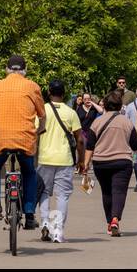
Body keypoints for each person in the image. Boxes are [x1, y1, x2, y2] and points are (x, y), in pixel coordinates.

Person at [0, 55, 46, 231]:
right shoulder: (32, 86)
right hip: (24, 139)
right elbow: (42, 116)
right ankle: (30, 214)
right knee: (29, 172)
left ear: (7, 69)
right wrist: (40, 129)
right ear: (24, 70)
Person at [84, 90, 137, 236]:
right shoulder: (126, 122)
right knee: (119, 191)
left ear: (105, 105)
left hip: (101, 162)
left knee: (107, 192)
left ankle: (110, 222)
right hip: (122, 162)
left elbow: (89, 146)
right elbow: (135, 145)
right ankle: (115, 219)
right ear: (120, 106)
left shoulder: (97, 122)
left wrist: (85, 164)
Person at [37, 79, 85, 243]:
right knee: (62, 196)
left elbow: (34, 132)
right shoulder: (70, 112)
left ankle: (44, 222)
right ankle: (57, 230)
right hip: (64, 159)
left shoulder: (42, 110)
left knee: (43, 192)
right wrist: (81, 160)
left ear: (49, 92)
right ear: (64, 94)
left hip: (45, 158)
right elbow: (80, 139)